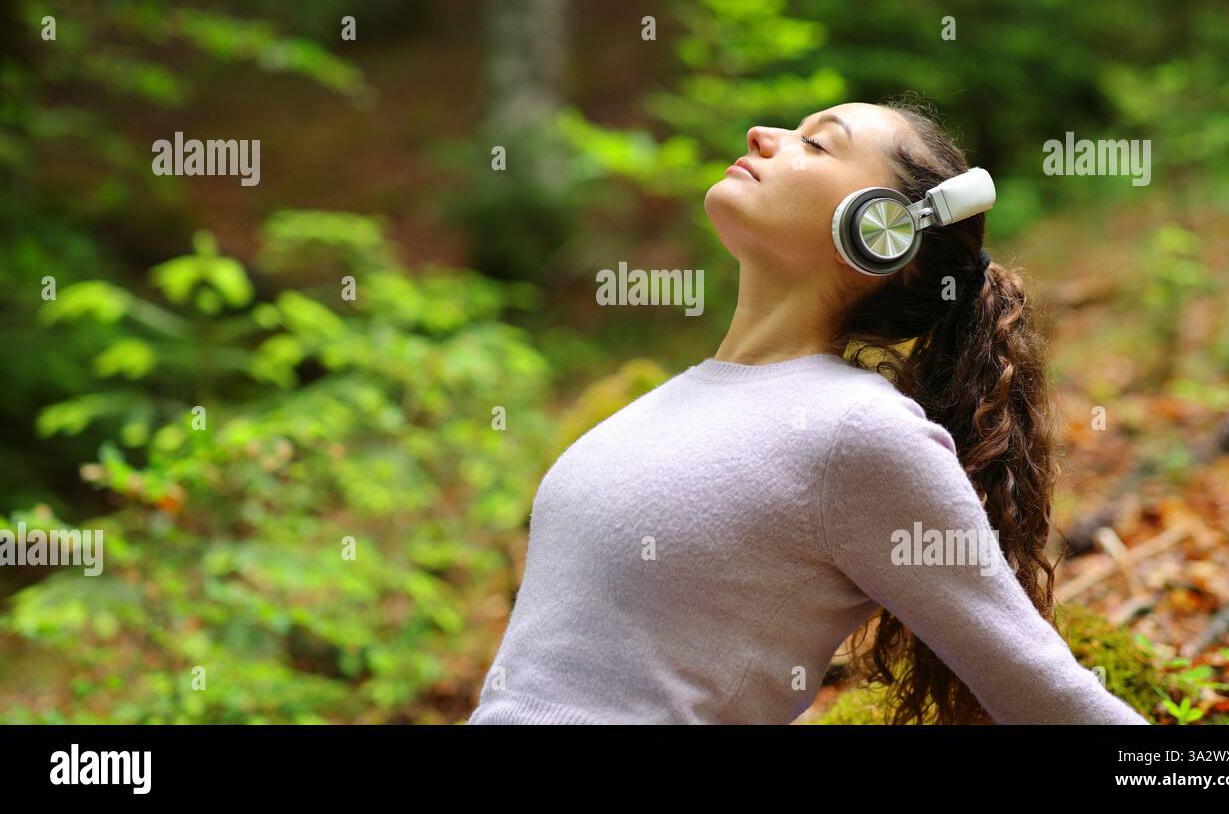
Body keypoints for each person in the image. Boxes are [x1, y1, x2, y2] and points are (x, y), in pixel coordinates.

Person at [466, 98, 1150, 725]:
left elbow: (1048, 697)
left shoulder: (857, 433)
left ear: (880, 231)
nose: (762, 135)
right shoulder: (669, 402)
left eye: (817, 145)